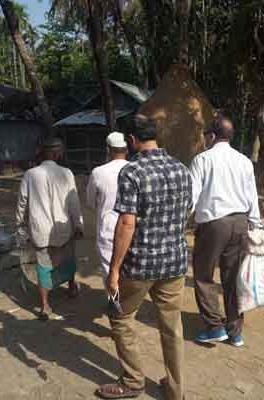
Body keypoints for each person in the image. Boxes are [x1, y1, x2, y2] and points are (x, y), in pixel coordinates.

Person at [96, 115, 192, 400]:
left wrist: (114, 270)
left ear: (132, 141)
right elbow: (185, 211)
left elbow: (127, 223)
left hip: (140, 265)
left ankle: (133, 382)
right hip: (174, 263)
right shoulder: (182, 169)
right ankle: (176, 390)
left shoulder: (132, 171)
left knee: (121, 318)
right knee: (172, 326)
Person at [190, 116, 260, 347]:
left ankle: (213, 328)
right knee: (232, 279)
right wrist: (256, 225)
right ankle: (235, 332)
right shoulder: (244, 162)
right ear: (230, 136)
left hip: (213, 225)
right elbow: (251, 197)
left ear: (211, 136)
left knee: (203, 275)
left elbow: (192, 196)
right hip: (240, 224)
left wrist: (181, 221)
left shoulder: (202, 159)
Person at [15, 137, 83, 321]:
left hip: (40, 229)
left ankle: (45, 306)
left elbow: (22, 202)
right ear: (56, 153)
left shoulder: (30, 174)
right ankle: (71, 288)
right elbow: (73, 201)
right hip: (64, 227)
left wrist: (20, 223)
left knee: (44, 265)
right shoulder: (66, 173)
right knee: (67, 258)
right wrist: (78, 224)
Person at [86, 132, 129, 291]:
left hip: (108, 228)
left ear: (108, 150)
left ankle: (115, 302)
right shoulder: (136, 169)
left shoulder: (98, 172)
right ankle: (126, 303)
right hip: (133, 228)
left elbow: (91, 202)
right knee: (128, 267)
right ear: (126, 149)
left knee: (109, 268)